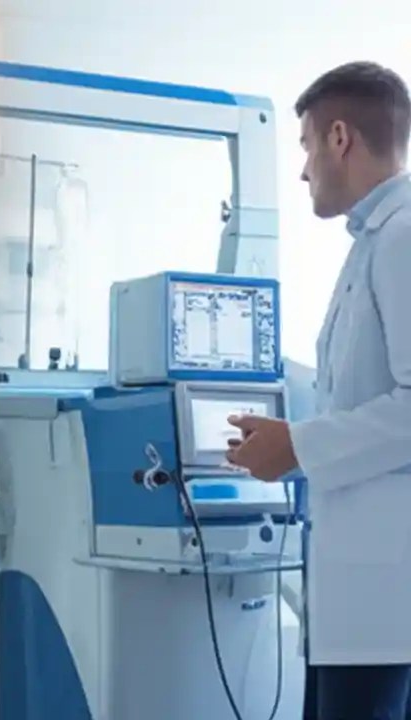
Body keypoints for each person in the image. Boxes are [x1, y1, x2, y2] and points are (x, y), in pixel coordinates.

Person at [225, 61, 411, 720]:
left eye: (305, 146)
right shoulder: (374, 240)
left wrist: (298, 445)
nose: (304, 169)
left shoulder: (403, 236)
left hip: (387, 597)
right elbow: (363, 391)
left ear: (339, 138)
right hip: (363, 595)